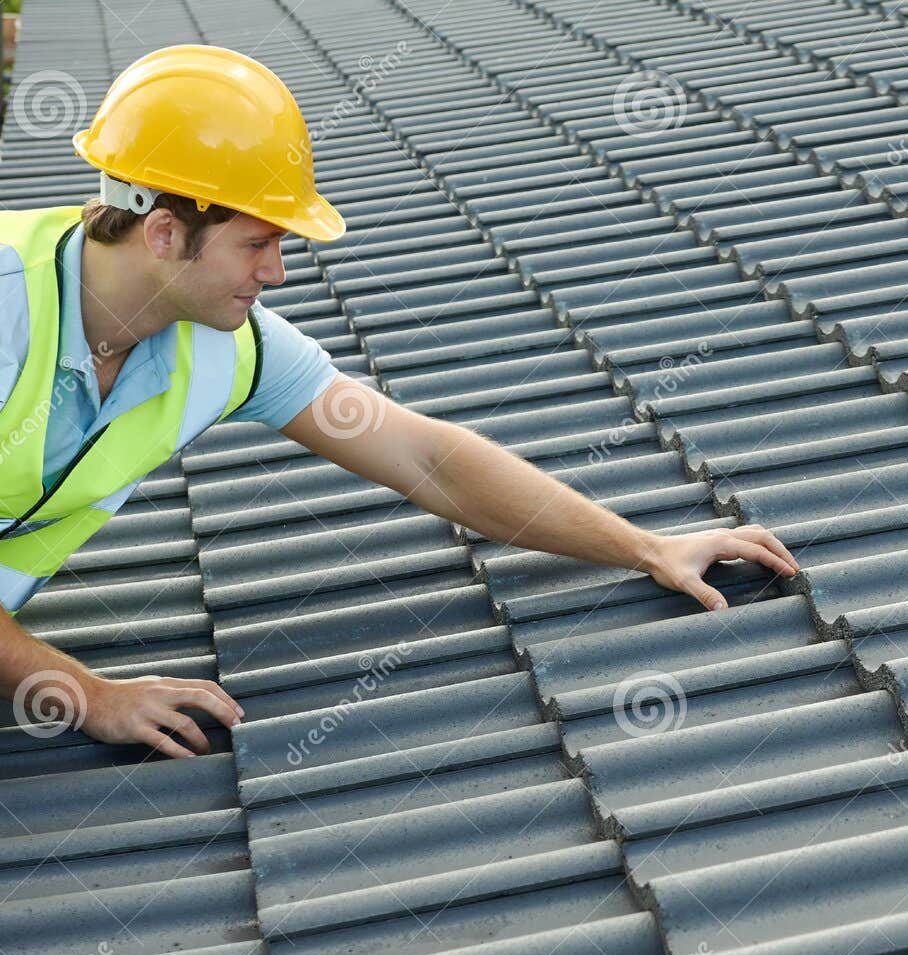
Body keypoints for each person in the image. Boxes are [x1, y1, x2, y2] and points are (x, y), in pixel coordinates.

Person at [0, 45, 799, 760]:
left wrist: (644, 547)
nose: (277, 273)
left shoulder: (228, 349)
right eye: (258, 242)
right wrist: (88, 695)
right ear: (166, 233)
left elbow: (429, 458)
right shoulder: (8, 308)